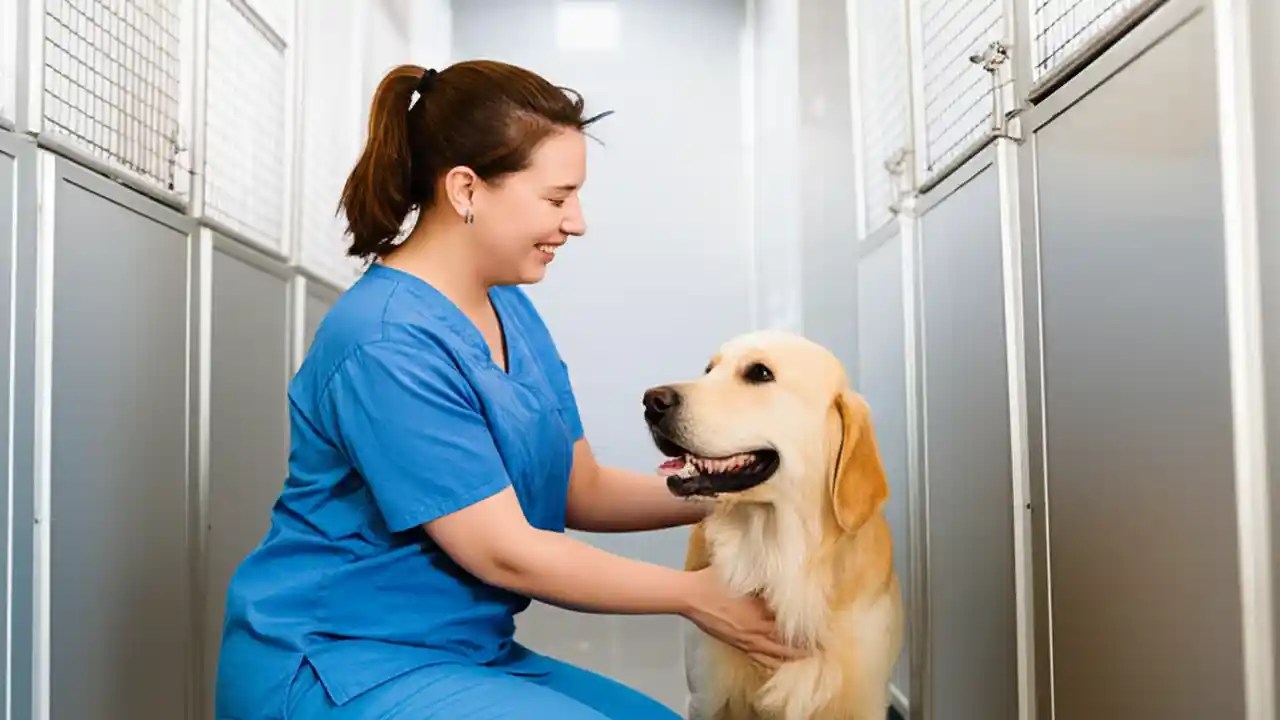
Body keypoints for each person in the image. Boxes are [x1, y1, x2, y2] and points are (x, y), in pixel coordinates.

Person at [214, 60, 806, 720]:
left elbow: (582, 488)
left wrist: (741, 488)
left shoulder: (508, 310)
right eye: (557, 199)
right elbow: (504, 551)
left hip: (464, 652)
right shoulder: (384, 340)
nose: (576, 222)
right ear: (466, 189)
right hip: (340, 662)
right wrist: (696, 594)